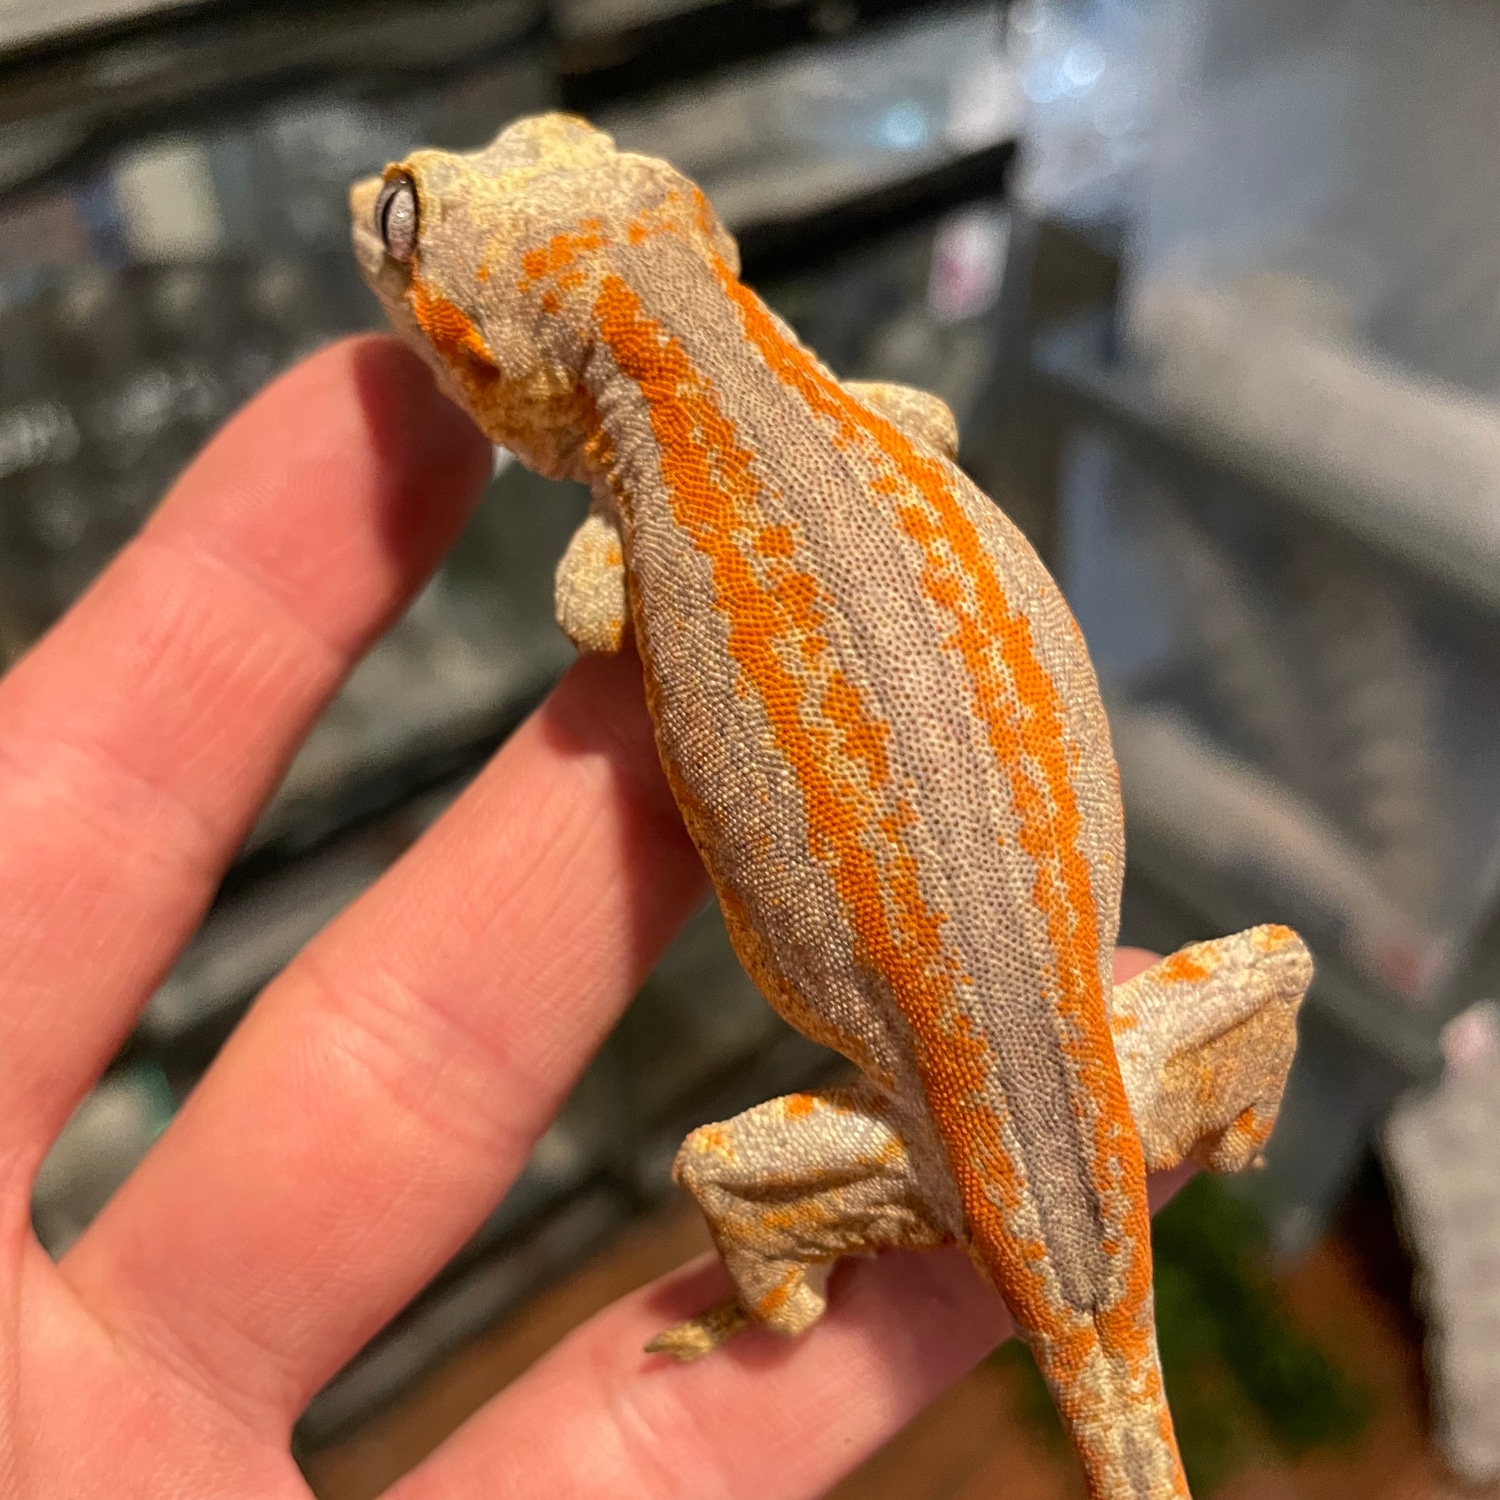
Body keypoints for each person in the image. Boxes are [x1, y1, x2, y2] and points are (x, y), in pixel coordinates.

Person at [0, 336, 1173, 1497]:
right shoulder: (853, 409)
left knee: (725, 1172)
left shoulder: (658, 502)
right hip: (1087, 1061)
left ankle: (794, 1287)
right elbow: (924, 424)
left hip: (967, 1116)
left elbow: (588, 607)